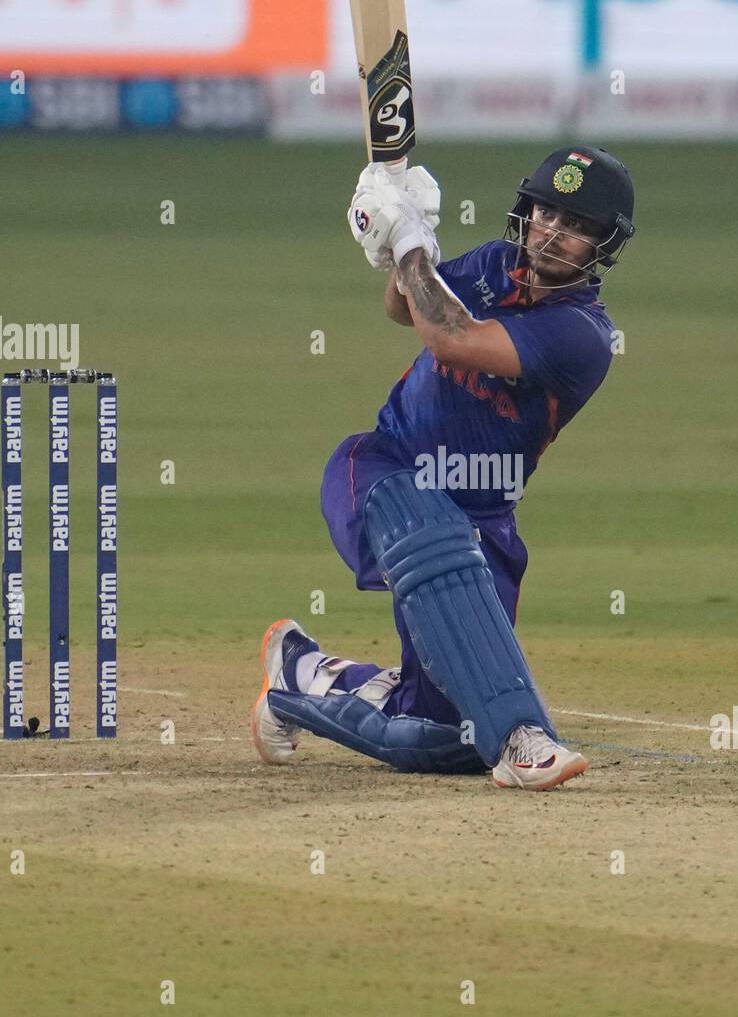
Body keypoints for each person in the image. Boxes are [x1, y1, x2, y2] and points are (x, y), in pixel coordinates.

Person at [251, 145, 635, 790]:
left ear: (603, 245)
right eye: (546, 212)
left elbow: (451, 334)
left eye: (575, 226)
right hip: (384, 470)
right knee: (432, 526)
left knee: (441, 739)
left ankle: (299, 679)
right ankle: (522, 736)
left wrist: (410, 243)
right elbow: (407, 308)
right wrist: (400, 232)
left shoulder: (582, 335)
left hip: (482, 517)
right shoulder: (493, 263)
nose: (552, 232)